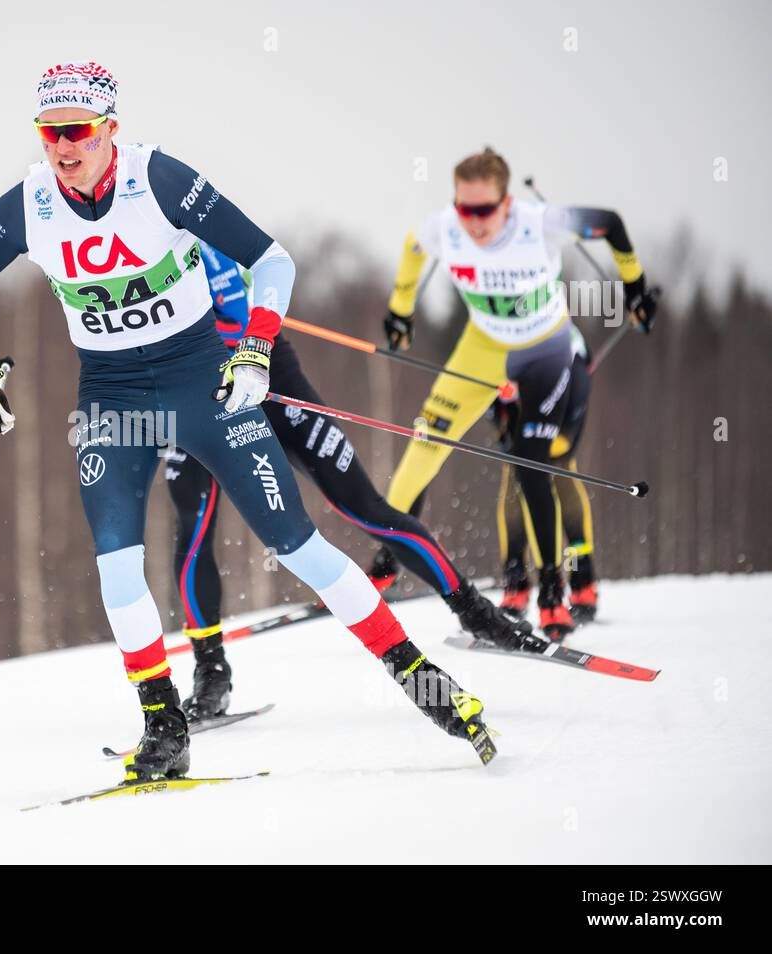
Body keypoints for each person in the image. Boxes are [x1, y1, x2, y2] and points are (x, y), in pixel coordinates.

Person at [0, 61, 496, 778]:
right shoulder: (27, 205)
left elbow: (273, 260)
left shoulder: (158, 179)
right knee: (116, 561)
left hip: (199, 379)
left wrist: (257, 347)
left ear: (111, 128)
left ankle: (430, 687)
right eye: (48, 135)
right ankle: (164, 726)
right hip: (111, 396)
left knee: (298, 545)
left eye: (76, 132)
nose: (62, 149)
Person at [166, 242, 543, 722]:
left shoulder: (197, 240)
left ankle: (475, 611)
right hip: (194, 394)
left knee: (363, 505)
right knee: (193, 527)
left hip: (262, 374)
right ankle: (211, 671)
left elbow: (241, 316)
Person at [367, 147, 656, 639]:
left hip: (545, 345)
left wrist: (634, 285)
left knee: (530, 463)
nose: (474, 222)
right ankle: (387, 556)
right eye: (464, 209)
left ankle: (551, 593)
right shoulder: (445, 229)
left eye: (484, 210)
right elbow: (415, 246)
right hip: (483, 344)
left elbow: (610, 222)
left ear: (506, 203)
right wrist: (401, 310)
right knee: (425, 439)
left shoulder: (538, 222)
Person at [494, 325, 598, 627]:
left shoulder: (569, 366)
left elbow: (570, 431)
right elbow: (493, 409)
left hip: (561, 405)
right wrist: (503, 424)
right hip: (523, 400)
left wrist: (549, 445)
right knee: (514, 475)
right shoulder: (494, 354)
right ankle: (516, 578)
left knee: (558, 468)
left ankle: (581, 576)